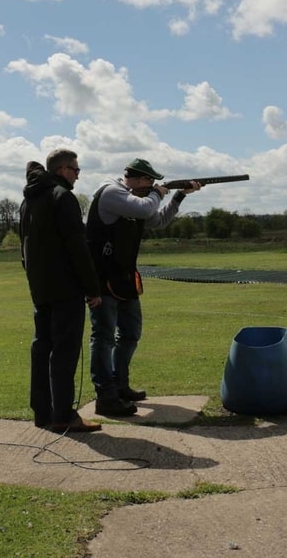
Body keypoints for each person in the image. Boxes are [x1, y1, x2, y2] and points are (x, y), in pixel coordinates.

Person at [86, 158, 200, 416]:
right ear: (138, 179)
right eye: (150, 180)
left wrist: (179, 196)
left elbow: (157, 220)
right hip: (102, 279)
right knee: (103, 338)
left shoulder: (134, 200)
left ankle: (119, 385)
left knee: (130, 334)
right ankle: (105, 396)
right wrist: (158, 193)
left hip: (124, 278)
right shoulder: (112, 191)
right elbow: (146, 207)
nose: (153, 184)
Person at [20, 149, 104, 433]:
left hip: (40, 288)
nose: (78, 175)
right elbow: (77, 247)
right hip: (66, 289)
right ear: (62, 170)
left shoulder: (28, 200)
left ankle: (43, 413)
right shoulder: (62, 197)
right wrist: (92, 288)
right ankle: (64, 415)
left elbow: (24, 247)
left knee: (42, 349)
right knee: (65, 353)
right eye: (75, 169)